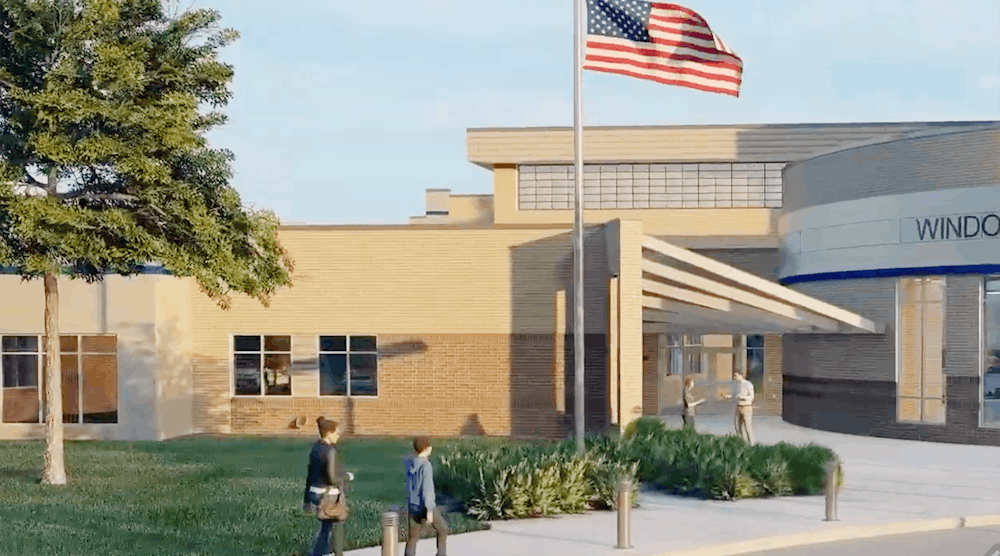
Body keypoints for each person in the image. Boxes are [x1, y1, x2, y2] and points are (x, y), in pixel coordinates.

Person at [303, 417, 354, 556]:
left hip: (314, 493)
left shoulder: (315, 448)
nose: (338, 435)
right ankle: (337, 553)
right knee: (338, 524)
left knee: (325, 528)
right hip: (327, 496)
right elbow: (332, 478)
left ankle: (317, 553)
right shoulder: (330, 451)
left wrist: (306, 499)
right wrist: (347, 477)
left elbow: (310, 474)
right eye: (336, 433)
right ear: (328, 433)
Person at [404, 436, 448, 556]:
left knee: (413, 536)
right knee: (443, 529)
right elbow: (427, 490)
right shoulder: (426, 466)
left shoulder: (411, 463)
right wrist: (429, 511)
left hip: (413, 506)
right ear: (426, 448)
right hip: (425, 506)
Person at [721, 371, 755, 444]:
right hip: (738, 407)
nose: (734, 377)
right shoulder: (737, 385)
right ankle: (744, 443)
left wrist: (743, 397)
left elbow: (751, 397)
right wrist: (726, 396)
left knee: (748, 427)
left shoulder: (748, 384)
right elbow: (734, 396)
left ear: (741, 375)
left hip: (746, 407)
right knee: (738, 427)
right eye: (734, 376)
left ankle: (752, 443)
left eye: (736, 375)